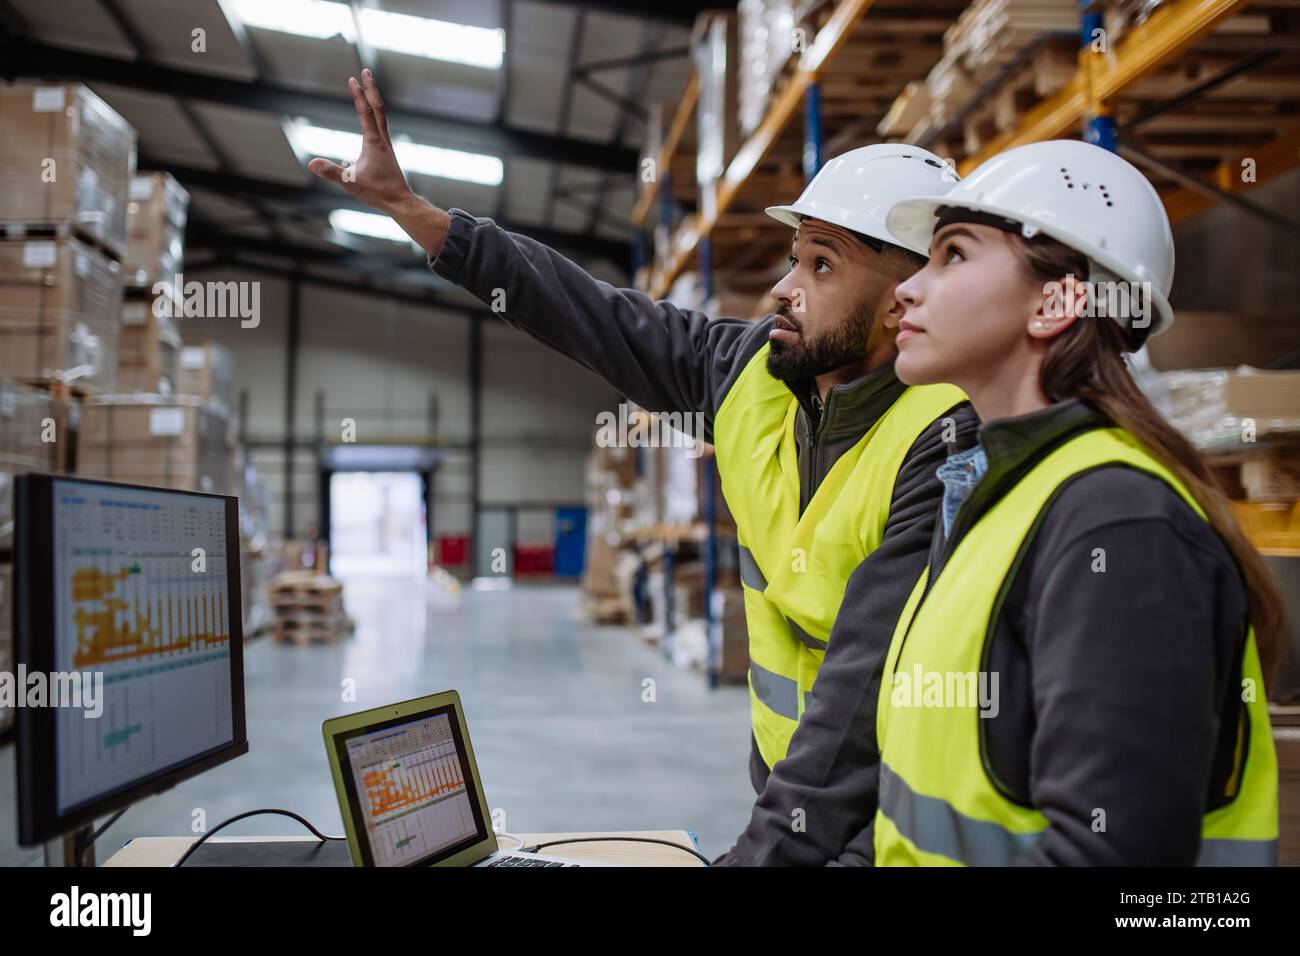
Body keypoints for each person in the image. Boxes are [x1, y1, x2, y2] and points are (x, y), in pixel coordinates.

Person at [308, 72, 977, 850]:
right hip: (784, 796)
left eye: (821, 266)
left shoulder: (946, 443)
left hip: (888, 823)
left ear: (903, 302)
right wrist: (413, 213)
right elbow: (588, 310)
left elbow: (857, 707)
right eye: (795, 259)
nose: (784, 288)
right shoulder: (747, 374)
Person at [864, 138, 1281, 865]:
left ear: (1058, 301)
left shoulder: (1120, 526)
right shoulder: (1003, 492)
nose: (907, 288)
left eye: (953, 255)